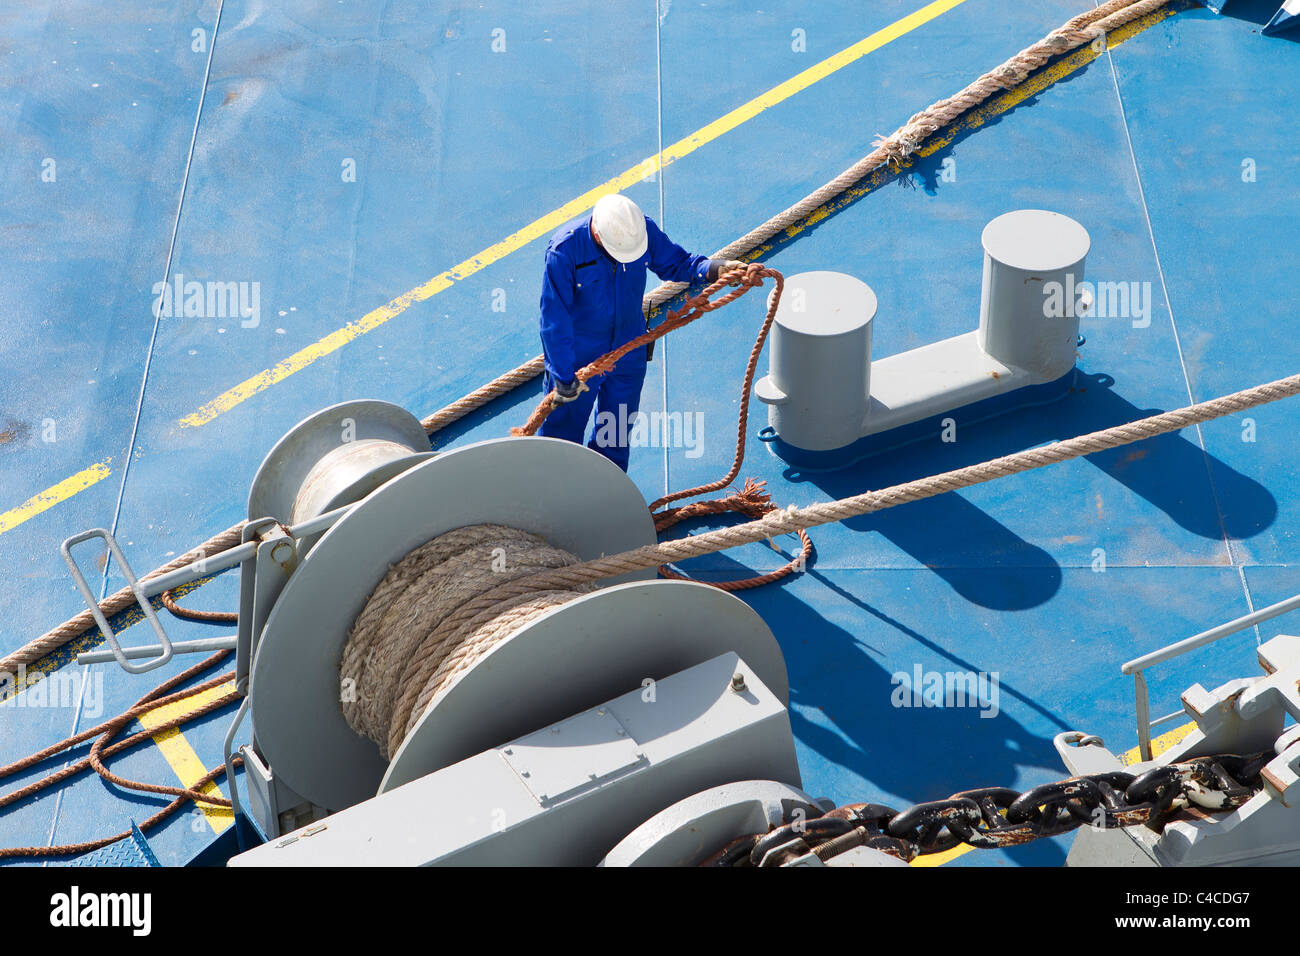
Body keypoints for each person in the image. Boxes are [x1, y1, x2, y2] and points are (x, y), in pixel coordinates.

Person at [536, 192, 744, 471]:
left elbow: (678, 262)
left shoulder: (640, 231)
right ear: (598, 236)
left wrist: (714, 269)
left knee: (615, 434)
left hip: (628, 353)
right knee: (561, 439)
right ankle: (553, 495)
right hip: (577, 362)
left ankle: (606, 490)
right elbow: (554, 320)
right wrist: (562, 376)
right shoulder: (565, 251)